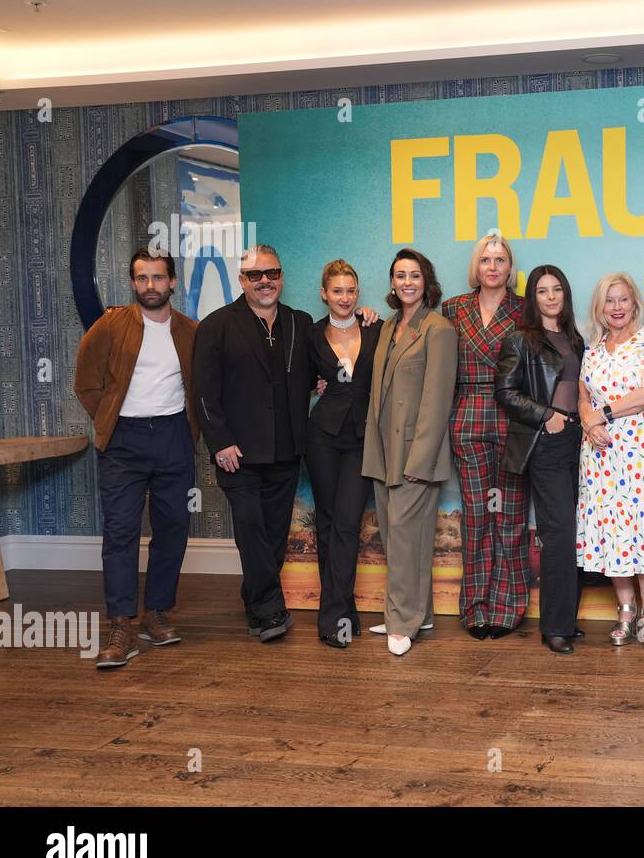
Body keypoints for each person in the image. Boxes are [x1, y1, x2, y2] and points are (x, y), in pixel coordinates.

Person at [74, 249, 199, 669]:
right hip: (123, 441)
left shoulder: (190, 330)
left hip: (173, 436)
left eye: (158, 278)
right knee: (120, 531)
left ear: (172, 283)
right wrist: (108, 417)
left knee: (174, 527)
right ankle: (122, 624)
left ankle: (157, 613)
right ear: (133, 282)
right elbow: (86, 382)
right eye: (142, 278)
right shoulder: (111, 325)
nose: (150, 286)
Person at [194, 245, 314, 643]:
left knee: (274, 534)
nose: (265, 280)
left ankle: (255, 600)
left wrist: (364, 321)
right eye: (255, 274)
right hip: (237, 454)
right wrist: (221, 443)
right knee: (250, 530)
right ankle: (269, 611)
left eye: (273, 272)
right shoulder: (216, 326)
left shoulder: (300, 322)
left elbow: (321, 365)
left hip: (285, 450)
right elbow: (203, 394)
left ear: (281, 276)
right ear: (241, 280)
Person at [361, 249, 456, 656]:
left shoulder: (438, 329)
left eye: (414, 275)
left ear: (426, 281)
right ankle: (421, 614)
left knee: (404, 537)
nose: (406, 282)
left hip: (416, 454)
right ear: (392, 282)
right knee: (397, 535)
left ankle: (403, 622)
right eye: (400, 275)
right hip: (384, 451)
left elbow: (437, 401)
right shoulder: (386, 327)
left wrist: (419, 459)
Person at [495, 265, 586, 654]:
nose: (550, 297)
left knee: (576, 533)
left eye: (557, 290)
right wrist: (546, 415)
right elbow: (505, 391)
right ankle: (555, 627)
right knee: (559, 534)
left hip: (579, 442)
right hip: (545, 444)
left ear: (565, 294)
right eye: (542, 291)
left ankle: (566, 619)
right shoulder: (521, 339)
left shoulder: (574, 339)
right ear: (533, 298)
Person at [576, 273, 644, 649]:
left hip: (641, 446)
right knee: (612, 525)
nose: (616, 307)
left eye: (623, 300)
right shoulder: (594, 348)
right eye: (609, 301)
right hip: (599, 451)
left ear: (635, 303)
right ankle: (625, 610)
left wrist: (604, 414)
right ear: (600, 307)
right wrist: (587, 419)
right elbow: (582, 394)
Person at [441, 234, 529, 640]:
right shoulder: (453, 308)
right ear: (476, 267)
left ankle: (507, 607)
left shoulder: (525, 309)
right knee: (477, 517)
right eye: (485, 260)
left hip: (513, 418)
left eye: (500, 260)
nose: (492, 267)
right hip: (468, 417)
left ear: (511, 268)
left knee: (509, 516)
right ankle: (475, 607)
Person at [305, 260, 379, 648]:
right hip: (322, 437)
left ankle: (335, 613)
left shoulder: (376, 327)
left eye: (351, 290)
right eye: (337, 291)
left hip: (362, 437)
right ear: (324, 293)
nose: (345, 297)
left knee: (348, 524)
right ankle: (339, 613)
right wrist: (316, 384)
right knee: (328, 522)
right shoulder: (310, 333)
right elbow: (297, 379)